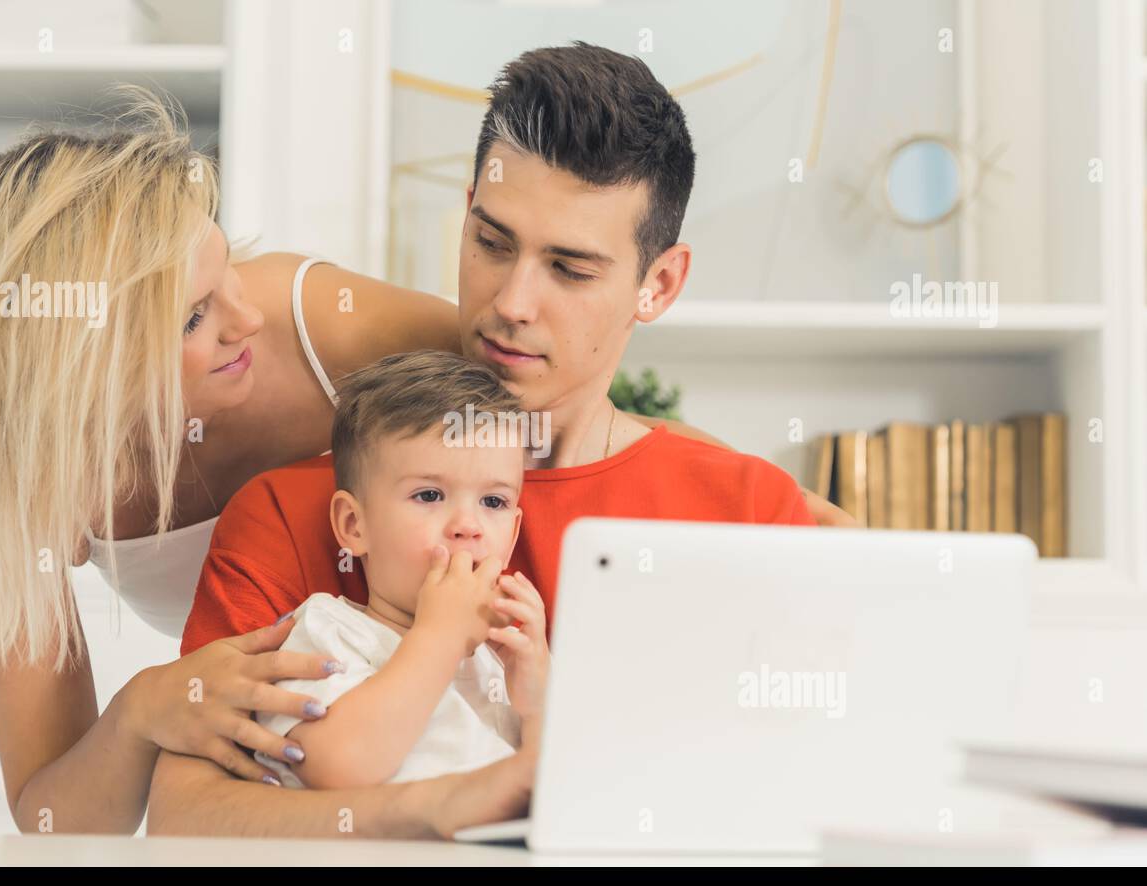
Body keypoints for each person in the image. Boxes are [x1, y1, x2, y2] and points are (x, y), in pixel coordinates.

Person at [149, 43, 818, 838]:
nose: (512, 302)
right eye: (493, 242)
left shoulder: (747, 511)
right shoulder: (295, 511)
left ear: (659, 284)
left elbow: (812, 787)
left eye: (570, 269)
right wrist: (440, 810)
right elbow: (188, 817)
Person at [254, 351, 549, 791]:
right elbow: (333, 765)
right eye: (429, 496)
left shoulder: (501, 663)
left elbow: (561, 795)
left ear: (512, 536)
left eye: (493, 502)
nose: (467, 526)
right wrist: (440, 637)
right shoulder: (327, 632)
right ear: (355, 526)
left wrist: (538, 703)